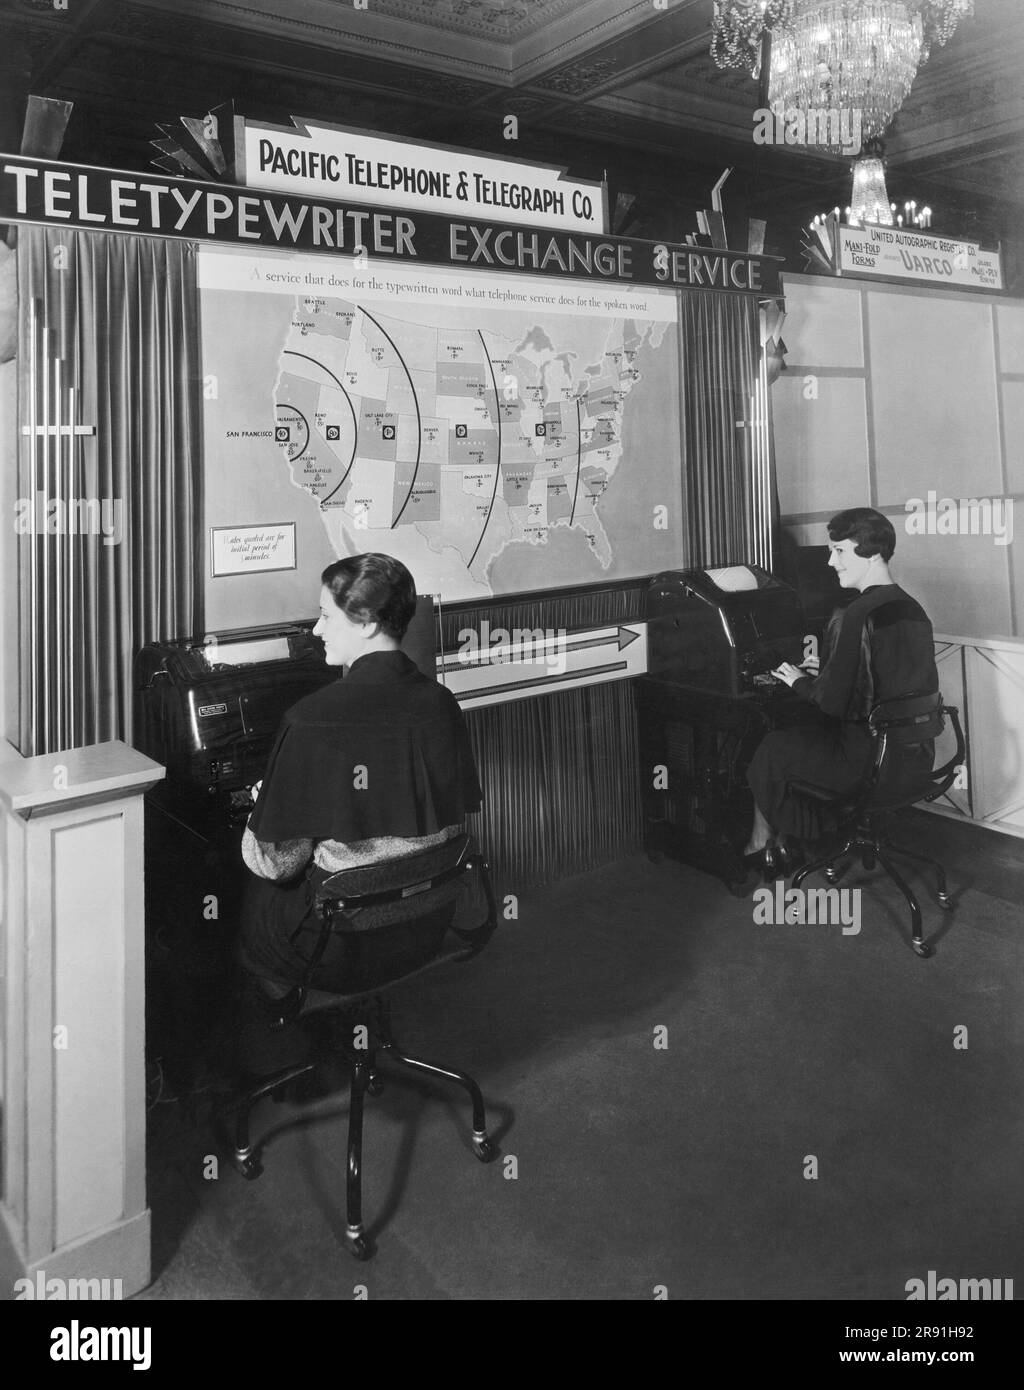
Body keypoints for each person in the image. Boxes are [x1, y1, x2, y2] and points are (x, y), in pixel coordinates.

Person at [229, 553, 482, 1074]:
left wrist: (265, 804)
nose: (317, 629)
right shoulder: (440, 702)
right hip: (428, 927)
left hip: (339, 951)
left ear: (366, 624)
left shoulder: (311, 719)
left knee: (243, 891)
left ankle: (270, 1060)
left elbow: (274, 864)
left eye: (326, 615)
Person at [744, 508, 937, 875]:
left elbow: (831, 704)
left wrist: (797, 679)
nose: (831, 562)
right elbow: (892, 683)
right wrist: (831, 670)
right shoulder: (912, 608)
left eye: (839, 551)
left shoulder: (853, 613)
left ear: (872, 553)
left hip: (863, 764)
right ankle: (792, 840)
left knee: (770, 748)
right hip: (911, 759)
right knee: (798, 744)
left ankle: (768, 844)